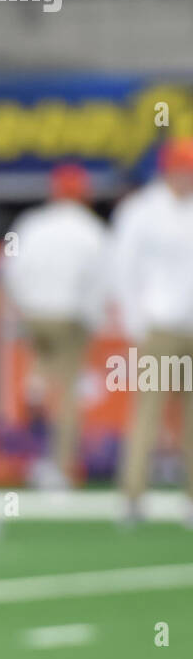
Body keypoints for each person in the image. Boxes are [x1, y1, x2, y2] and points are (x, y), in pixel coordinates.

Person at [0, 163, 108, 490]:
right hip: (69, 317)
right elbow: (101, 281)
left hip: (34, 315)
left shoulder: (33, 223)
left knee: (43, 383)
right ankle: (60, 466)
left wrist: (19, 308)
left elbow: (11, 268)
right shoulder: (91, 229)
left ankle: (33, 451)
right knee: (69, 395)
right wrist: (93, 320)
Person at [112, 139, 193, 526]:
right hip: (159, 326)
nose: (186, 175)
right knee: (150, 411)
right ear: (166, 168)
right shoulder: (143, 211)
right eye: (181, 167)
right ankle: (132, 496)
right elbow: (124, 268)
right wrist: (136, 322)